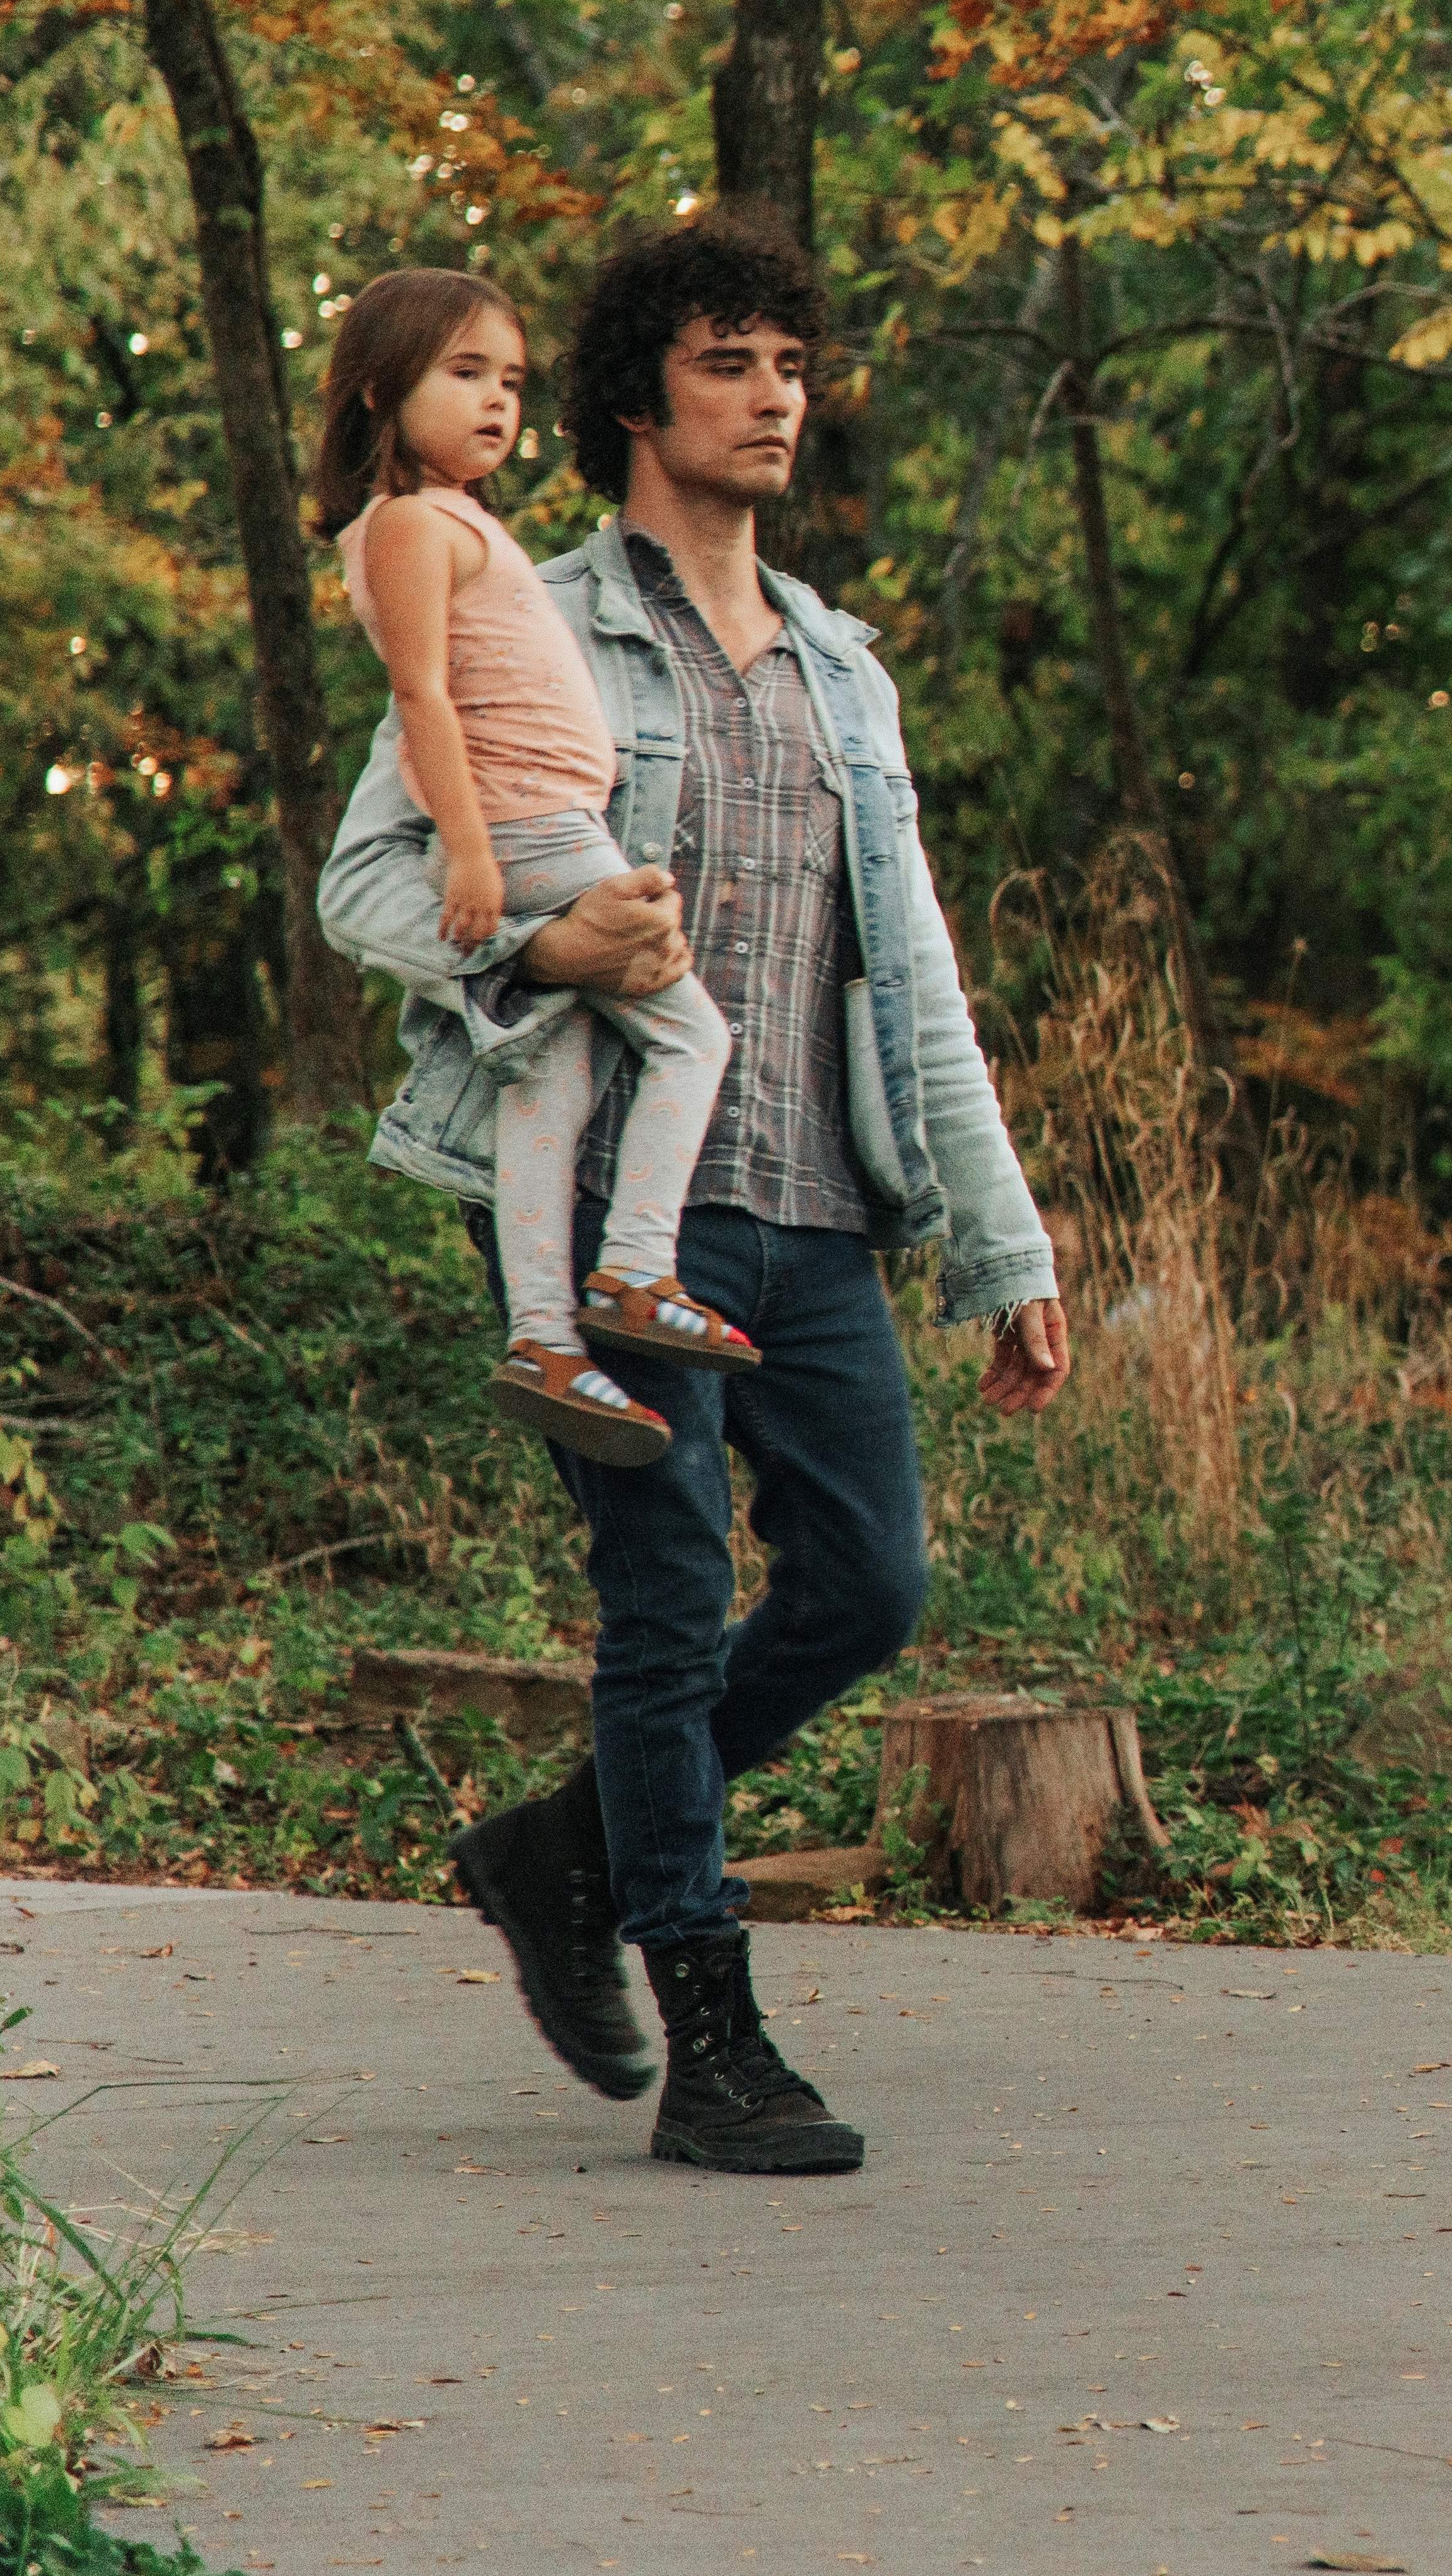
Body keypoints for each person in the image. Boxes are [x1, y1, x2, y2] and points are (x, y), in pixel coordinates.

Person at [316, 210, 1070, 2178]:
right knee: (663, 1603)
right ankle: (712, 2022)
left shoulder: (843, 674)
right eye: (731, 362)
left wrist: (1007, 1248)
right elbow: (368, 886)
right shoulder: (517, 607)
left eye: (794, 366)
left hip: (813, 1200)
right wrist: (539, 957)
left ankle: (564, 1847)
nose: (776, 397)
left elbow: (913, 971)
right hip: (596, 1206)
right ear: (638, 394)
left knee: (872, 1583)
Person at [306, 267, 746, 1464]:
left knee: (546, 1075)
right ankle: (636, 1273)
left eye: (510, 380)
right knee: (691, 1037)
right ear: (377, 393)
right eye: (464, 375)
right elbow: (422, 697)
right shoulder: (409, 524)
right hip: (538, 837)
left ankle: (546, 1337)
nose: (498, 403)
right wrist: (467, 857)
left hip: (548, 831)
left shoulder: (461, 522)